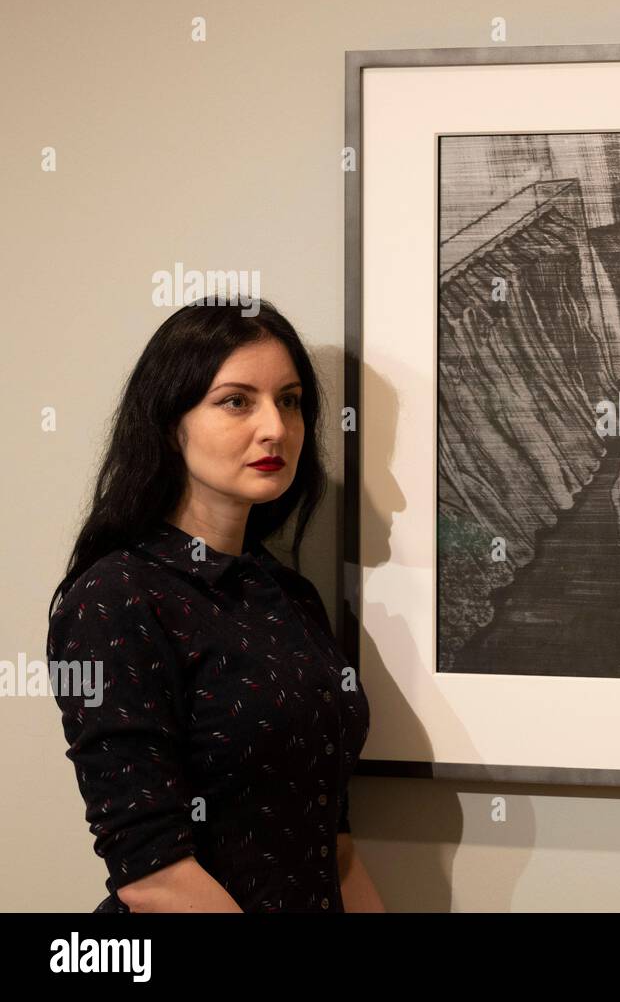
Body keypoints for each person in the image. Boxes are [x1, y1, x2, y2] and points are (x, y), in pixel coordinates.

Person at [46, 297, 382, 913]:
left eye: (290, 399)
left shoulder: (291, 595)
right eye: (236, 401)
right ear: (171, 423)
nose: (276, 428)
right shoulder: (117, 596)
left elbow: (336, 848)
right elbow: (154, 878)